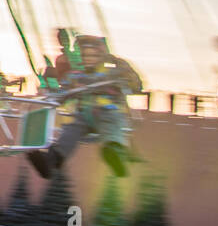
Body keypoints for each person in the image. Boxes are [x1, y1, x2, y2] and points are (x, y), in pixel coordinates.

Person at [27, 33, 142, 179]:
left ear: (101, 57)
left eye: (93, 57)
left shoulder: (112, 72)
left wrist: (125, 70)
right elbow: (63, 93)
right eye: (85, 56)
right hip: (84, 115)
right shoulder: (76, 76)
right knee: (70, 131)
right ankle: (52, 160)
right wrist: (51, 92)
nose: (89, 60)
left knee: (112, 125)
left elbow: (136, 86)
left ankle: (115, 153)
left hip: (109, 111)